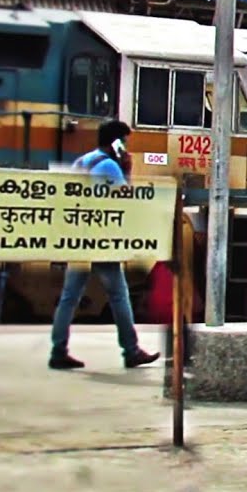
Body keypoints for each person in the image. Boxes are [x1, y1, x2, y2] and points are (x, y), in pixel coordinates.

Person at [49, 119, 160, 370]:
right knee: (119, 296)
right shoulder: (110, 166)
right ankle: (131, 351)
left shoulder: (82, 161)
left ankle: (58, 351)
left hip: (78, 240)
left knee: (69, 298)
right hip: (101, 241)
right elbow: (124, 200)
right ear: (116, 142)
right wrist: (127, 171)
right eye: (125, 140)